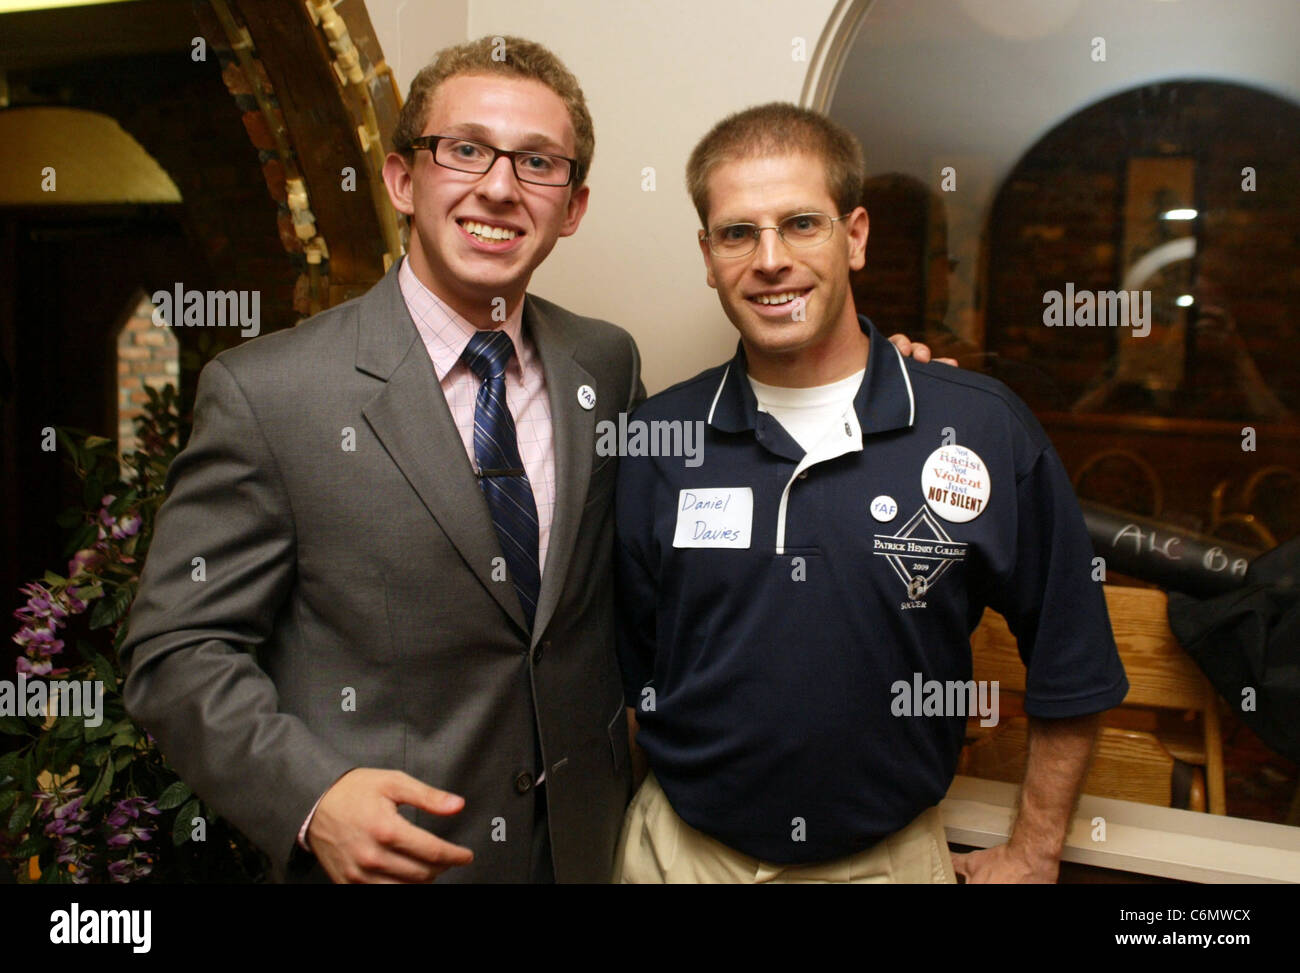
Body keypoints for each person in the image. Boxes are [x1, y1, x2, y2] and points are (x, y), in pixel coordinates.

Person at [119, 36, 952, 884]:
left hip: (589, 855)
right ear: (404, 180)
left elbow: (720, 479)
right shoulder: (272, 394)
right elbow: (174, 650)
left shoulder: (604, 364)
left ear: (574, 205)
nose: (499, 186)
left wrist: (876, 387)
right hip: (398, 866)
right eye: (466, 149)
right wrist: (310, 796)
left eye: (538, 162)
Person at [613, 103, 1130, 884]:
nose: (770, 259)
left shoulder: (974, 428)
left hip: (882, 864)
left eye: (800, 224)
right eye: (737, 233)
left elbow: (1073, 652)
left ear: (854, 236)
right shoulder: (660, 437)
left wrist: (1036, 845)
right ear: (708, 254)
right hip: (678, 855)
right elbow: (627, 673)